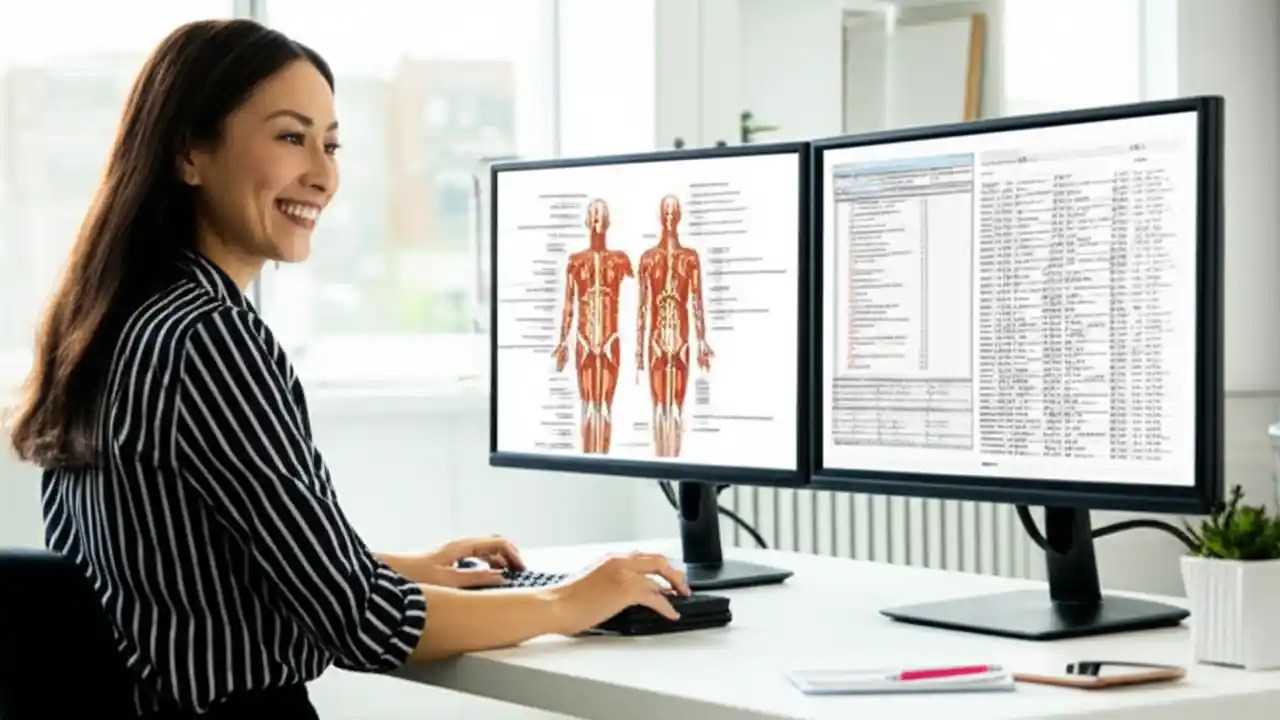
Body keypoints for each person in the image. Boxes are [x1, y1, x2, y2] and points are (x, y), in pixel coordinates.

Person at [4, 19, 688, 719]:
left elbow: (185, 571)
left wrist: (409, 569)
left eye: (330, 144)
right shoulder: (207, 338)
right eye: (290, 137)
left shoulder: (118, 322)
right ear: (189, 152)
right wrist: (569, 600)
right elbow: (362, 624)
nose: (323, 175)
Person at [552, 198, 634, 453]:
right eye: (593, 214)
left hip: (610, 339)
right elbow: (569, 304)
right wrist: (563, 341)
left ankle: (604, 455)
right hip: (585, 339)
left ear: (608, 221)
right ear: (587, 221)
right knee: (587, 405)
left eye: (602, 213)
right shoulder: (576, 261)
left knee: (606, 406)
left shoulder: (620, 260)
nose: (597, 218)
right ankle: (589, 455)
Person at [636, 194, 714, 457]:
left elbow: (696, 301)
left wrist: (702, 340)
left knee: (677, 409)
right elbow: (643, 305)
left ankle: (676, 459)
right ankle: (662, 459)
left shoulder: (690, 258)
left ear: (679, 216)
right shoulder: (648, 258)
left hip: (681, 338)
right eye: (665, 211)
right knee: (659, 407)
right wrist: (638, 350)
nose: (669, 215)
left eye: (674, 211)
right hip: (657, 338)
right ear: (661, 216)